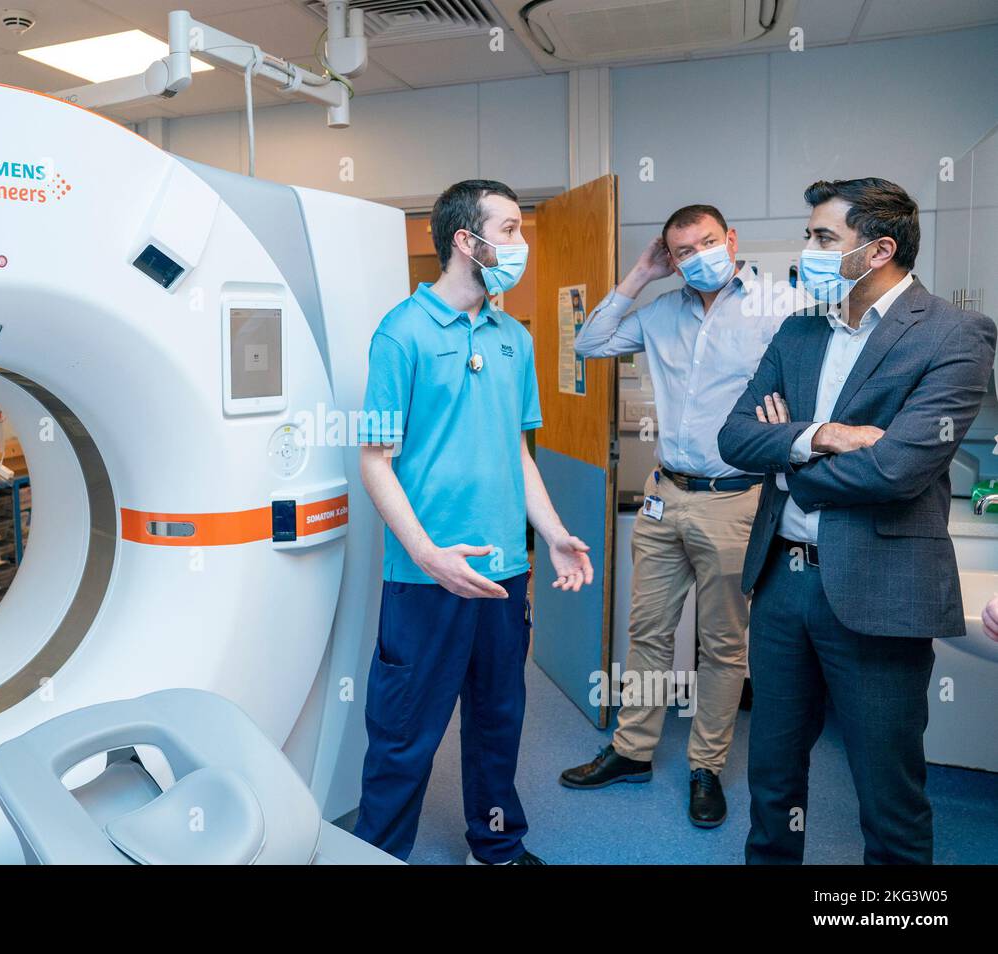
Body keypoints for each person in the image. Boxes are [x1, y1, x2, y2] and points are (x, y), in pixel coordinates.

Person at [718, 177, 996, 864]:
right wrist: (822, 437)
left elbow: (899, 470)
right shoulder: (801, 327)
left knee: (887, 793)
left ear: (878, 250)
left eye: (821, 237)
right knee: (773, 777)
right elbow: (732, 437)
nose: (807, 249)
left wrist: (786, 461)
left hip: (880, 589)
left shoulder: (954, 335)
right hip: (782, 584)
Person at [352, 179, 594, 865]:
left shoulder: (513, 338)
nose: (520, 243)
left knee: (497, 724)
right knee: (404, 735)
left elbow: (515, 454)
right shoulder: (400, 335)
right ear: (468, 241)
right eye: (512, 229)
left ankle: (496, 846)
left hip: (502, 577)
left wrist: (551, 534)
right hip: (427, 578)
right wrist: (429, 555)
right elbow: (374, 460)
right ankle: (379, 857)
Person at [560, 205, 794, 828]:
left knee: (723, 645)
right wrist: (639, 274)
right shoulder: (661, 313)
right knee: (648, 633)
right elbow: (586, 343)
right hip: (665, 495)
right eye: (682, 250)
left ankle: (706, 767)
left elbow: (810, 389)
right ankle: (633, 751)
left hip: (736, 499)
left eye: (708, 243)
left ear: (731, 239)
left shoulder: (776, 307)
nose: (698, 256)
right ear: (671, 256)